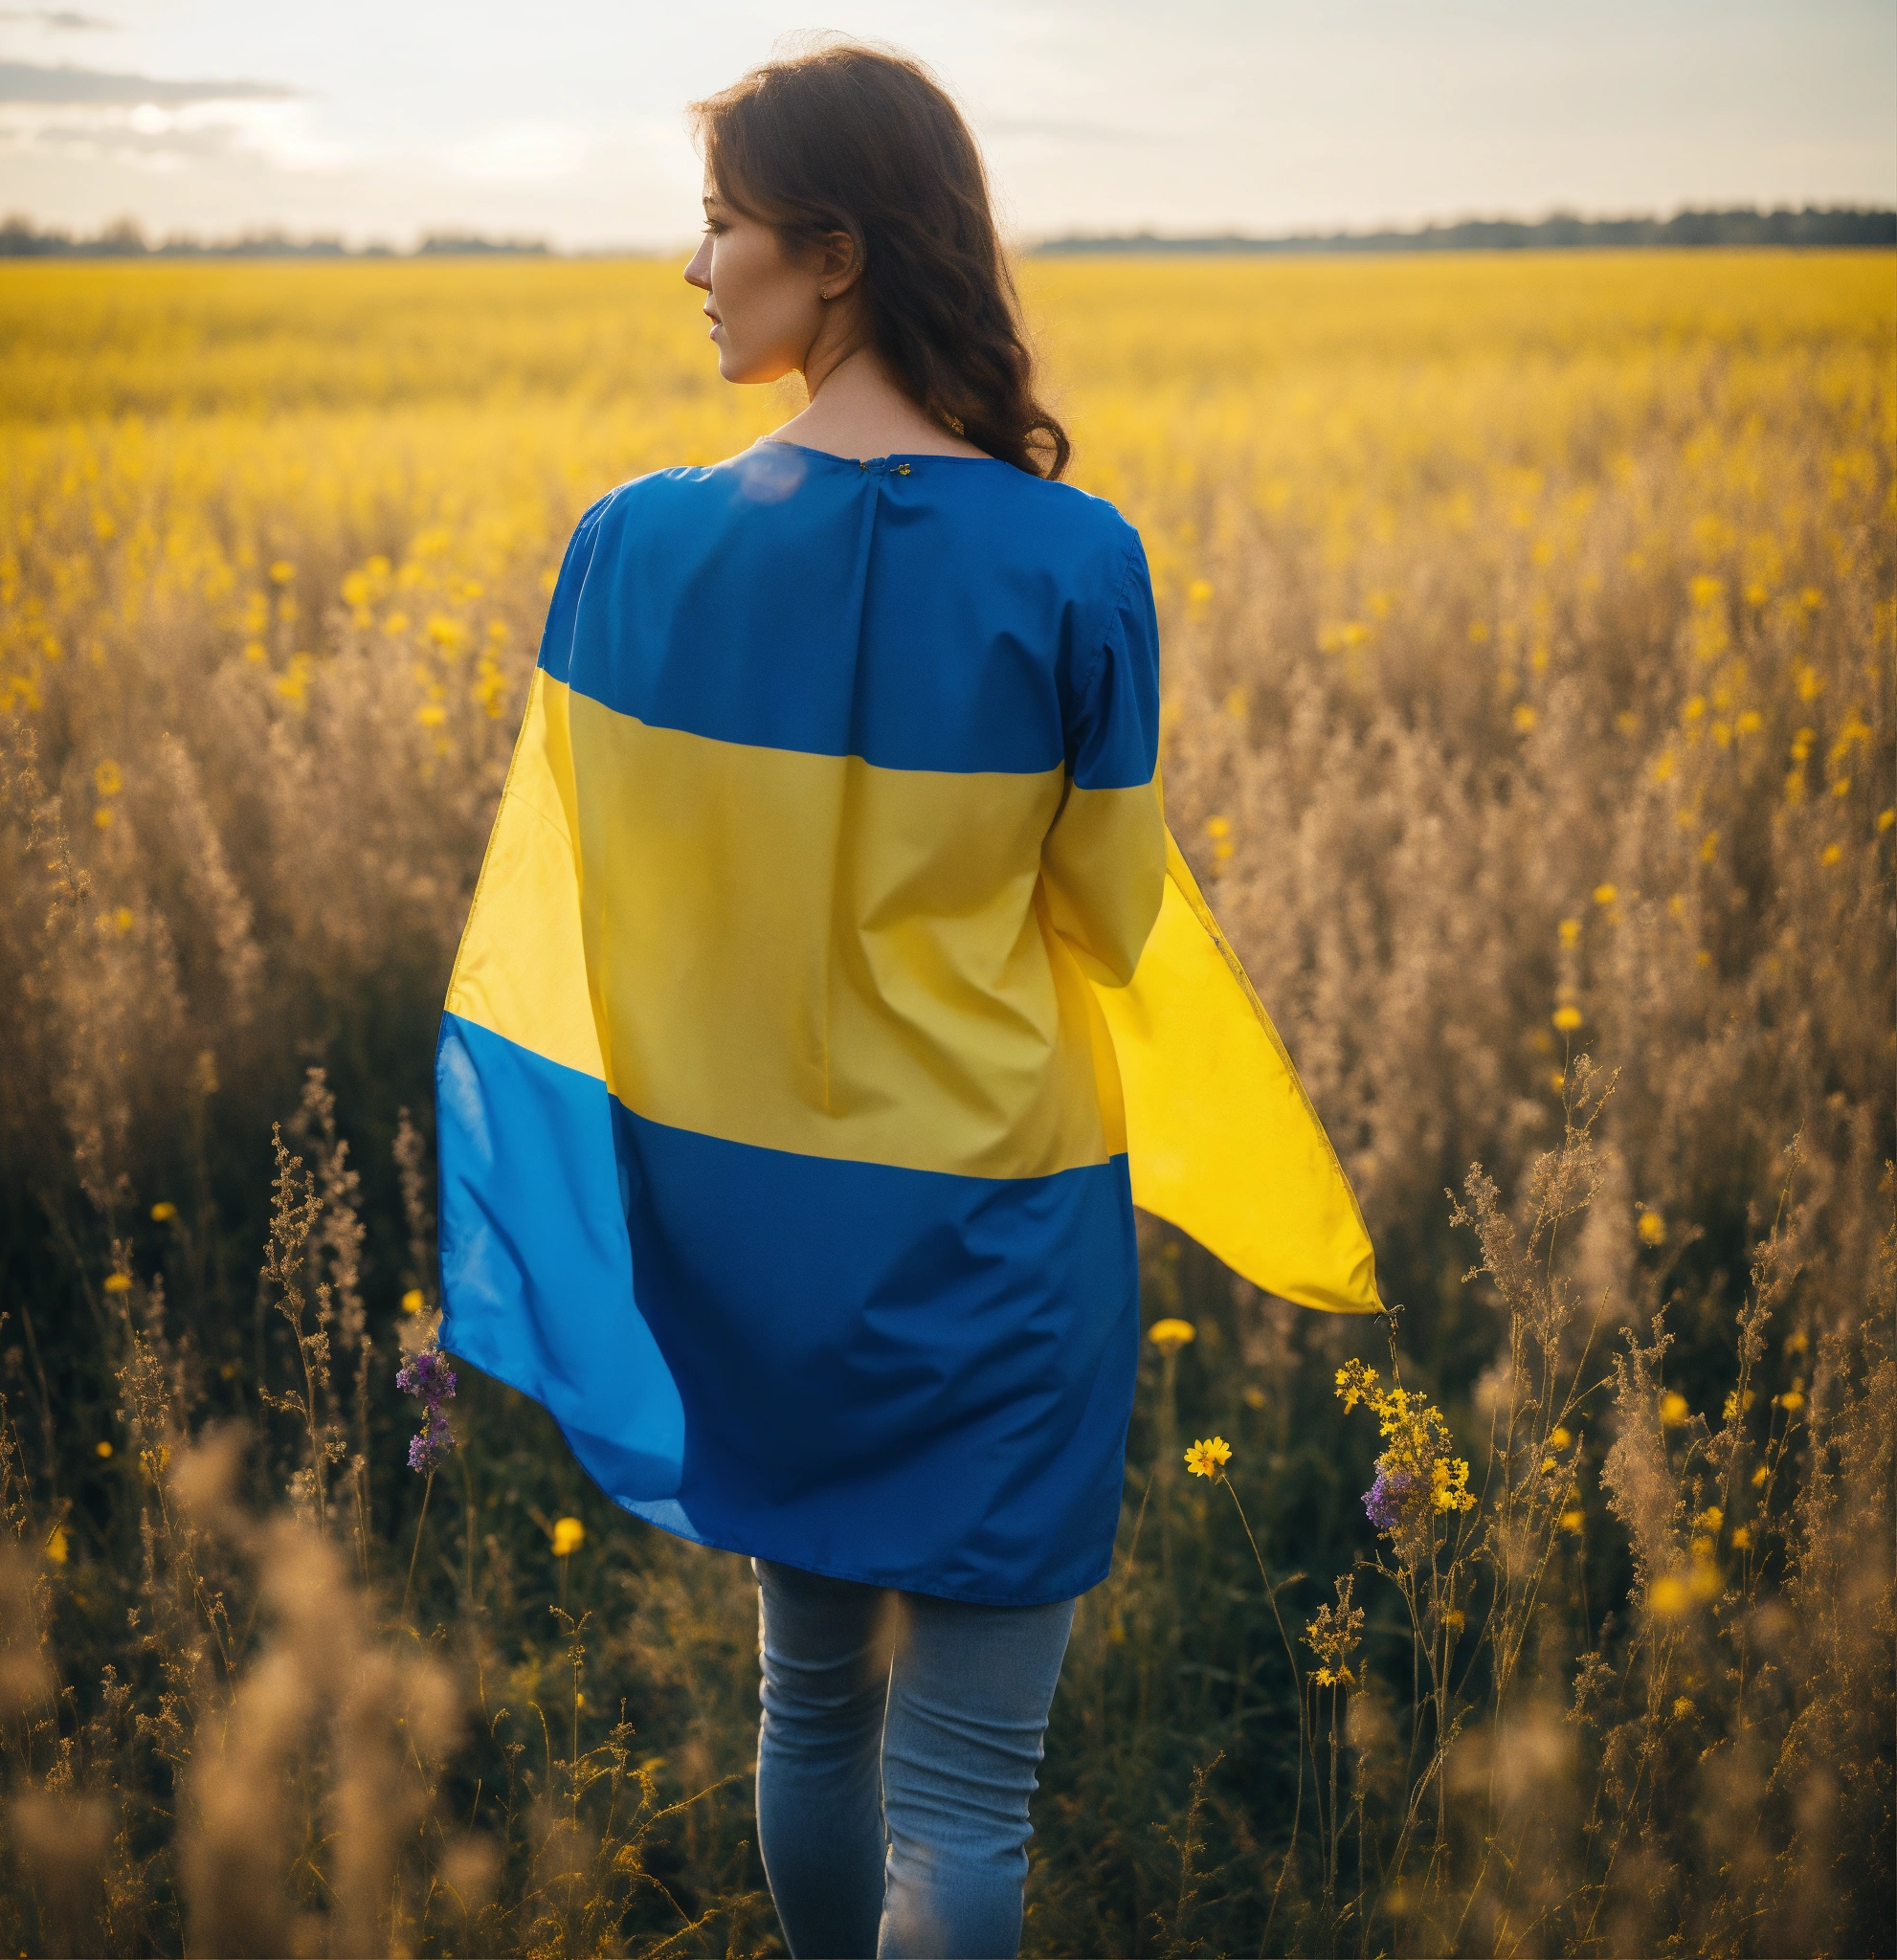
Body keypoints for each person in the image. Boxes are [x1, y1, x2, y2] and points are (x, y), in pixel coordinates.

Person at [434, 40, 1378, 1960]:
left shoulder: (627, 548)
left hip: (749, 1228)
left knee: (806, 1706)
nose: (693, 265)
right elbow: (1109, 920)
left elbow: (598, 909)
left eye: (722, 222)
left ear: (835, 253)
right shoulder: (1072, 560)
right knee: (963, 1793)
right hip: (991, 1235)